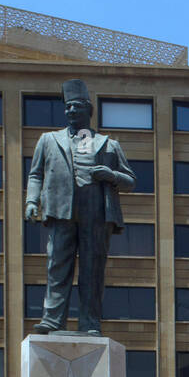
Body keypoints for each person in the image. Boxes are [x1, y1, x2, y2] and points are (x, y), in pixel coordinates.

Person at [25, 78, 136, 336]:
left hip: (96, 212)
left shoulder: (109, 144)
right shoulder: (48, 140)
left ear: (89, 110)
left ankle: (90, 323)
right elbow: (35, 174)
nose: (71, 111)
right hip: (61, 209)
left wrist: (111, 175)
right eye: (68, 107)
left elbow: (130, 181)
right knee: (57, 266)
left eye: (76, 106)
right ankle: (53, 319)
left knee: (92, 270)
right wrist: (32, 201)